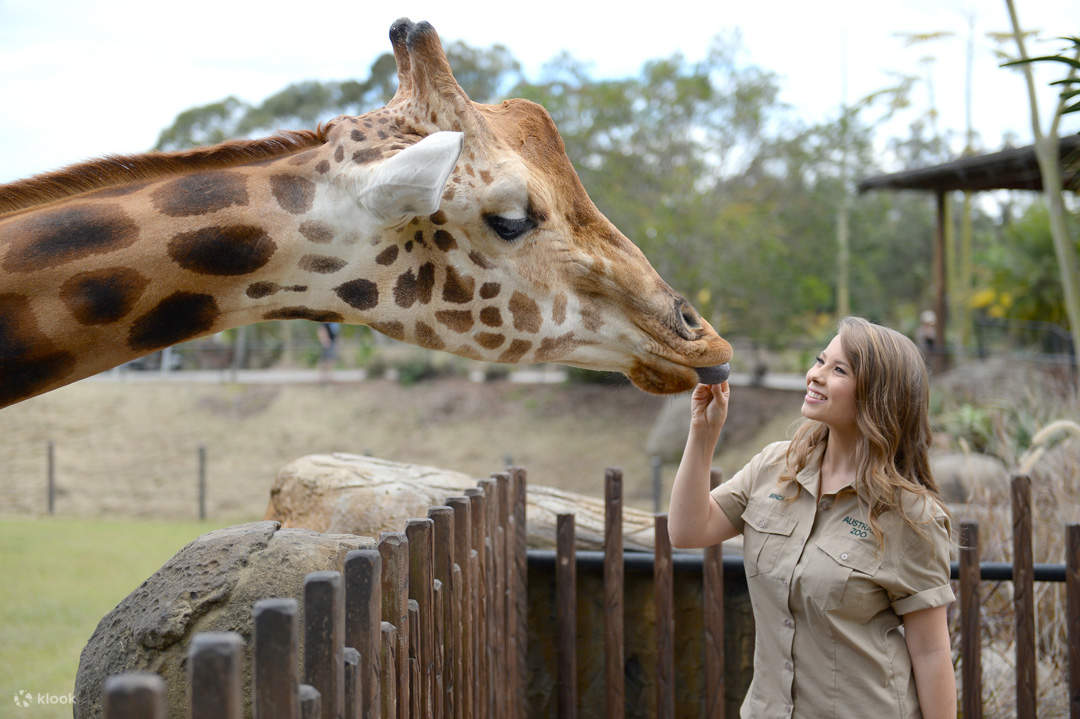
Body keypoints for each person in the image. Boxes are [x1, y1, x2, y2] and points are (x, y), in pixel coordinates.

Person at [668, 316, 956, 719]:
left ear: (878, 395)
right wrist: (703, 432)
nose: (815, 375)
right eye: (820, 360)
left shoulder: (911, 516)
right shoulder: (775, 465)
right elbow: (687, 529)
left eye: (838, 370)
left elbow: (931, 652)